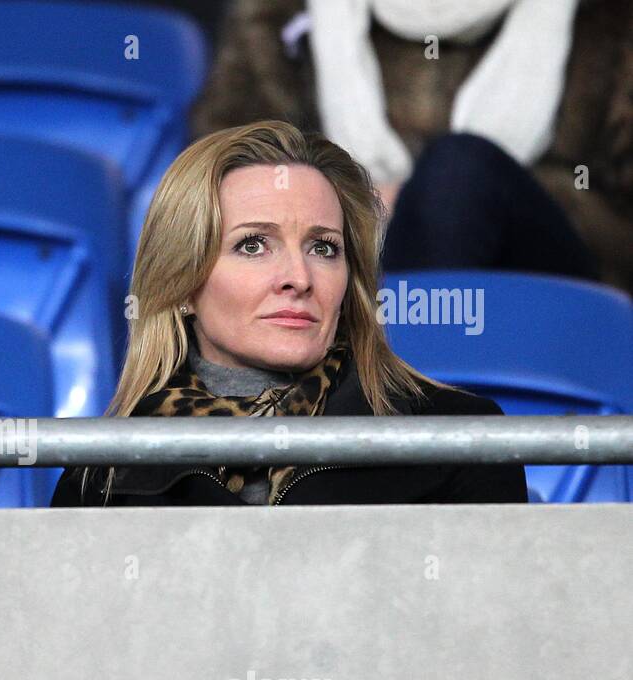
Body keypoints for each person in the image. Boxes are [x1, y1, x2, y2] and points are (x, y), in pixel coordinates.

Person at [51, 120, 528, 507]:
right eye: (253, 245)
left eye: (323, 248)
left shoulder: (458, 440)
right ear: (182, 285)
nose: (299, 278)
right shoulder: (105, 475)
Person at [190, 0, 632, 292]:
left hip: (555, 278)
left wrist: (441, 197)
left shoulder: (608, 16)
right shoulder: (280, 12)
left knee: (460, 172)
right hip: (342, 268)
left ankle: (398, 390)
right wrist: (344, 200)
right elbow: (225, 170)